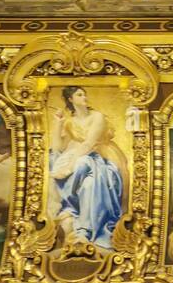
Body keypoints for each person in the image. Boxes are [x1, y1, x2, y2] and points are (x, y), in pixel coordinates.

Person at [49, 87, 128, 249]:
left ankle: (79, 221)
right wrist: (58, 124)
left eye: (84, 94)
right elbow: (58, 147)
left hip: (102, 159)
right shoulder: (70, 122)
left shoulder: (97, 117)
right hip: (80, 160)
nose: (84, 97)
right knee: (88, 182)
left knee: (83, 163)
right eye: (79, 94)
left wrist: (69, 166)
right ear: (70, 99)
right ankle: (78, 220)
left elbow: (89, 143)